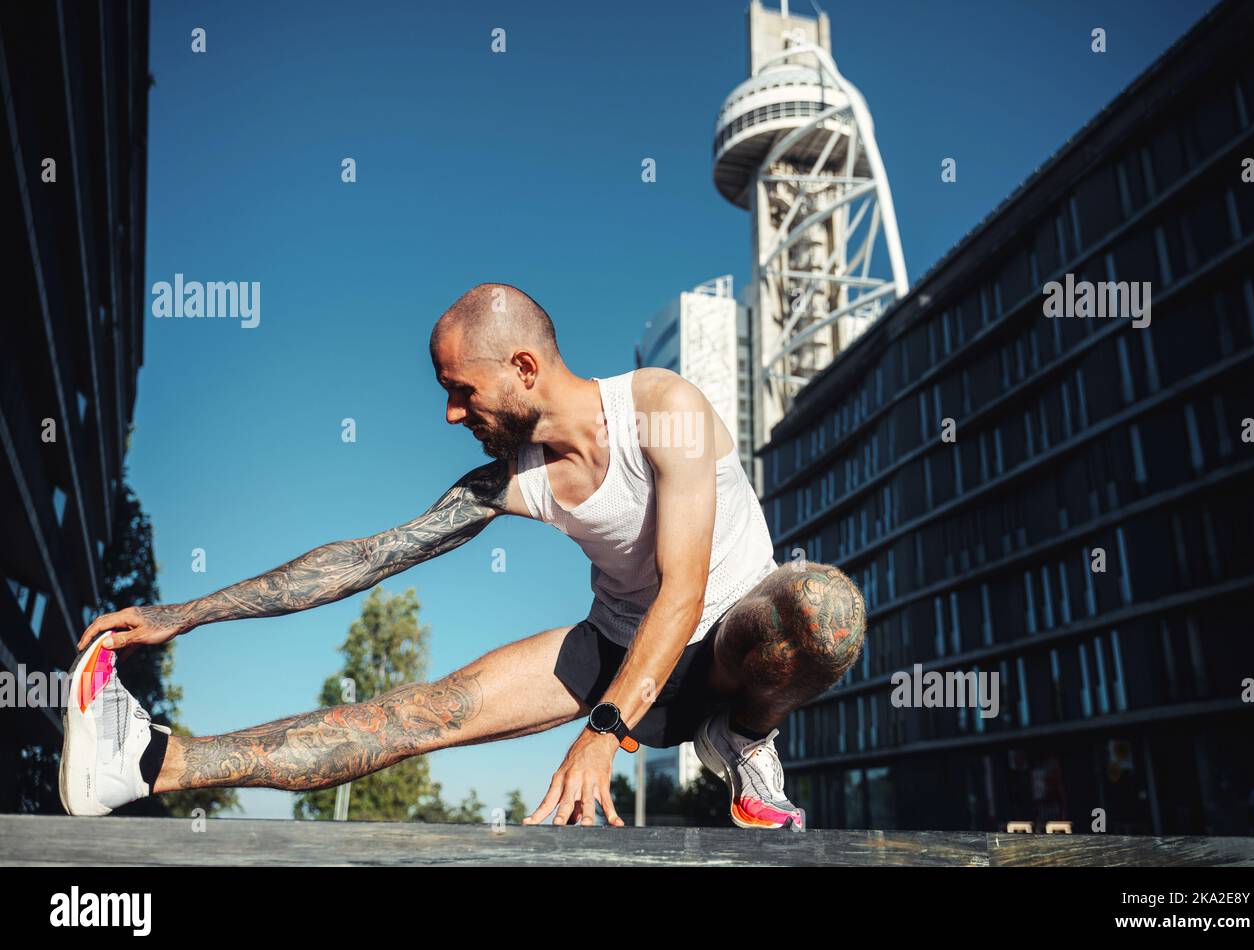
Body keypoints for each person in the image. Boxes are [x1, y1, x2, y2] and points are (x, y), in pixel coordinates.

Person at [62, 283, 866, 829]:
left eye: (462, 391)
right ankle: (146, 764)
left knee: (824, 607)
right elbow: (366, 559)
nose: (452, 414)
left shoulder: (665, 407)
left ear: (523, 368)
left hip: (731, 647)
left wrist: (601, 735)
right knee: (417, 715)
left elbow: (685, 593)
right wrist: (189, 614)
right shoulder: (505, 484)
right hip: (619, 654)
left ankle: (744, 737)